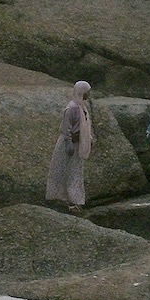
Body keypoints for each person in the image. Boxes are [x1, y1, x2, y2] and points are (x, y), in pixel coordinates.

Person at [44, 81, 94, 211]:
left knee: (75, 171)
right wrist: (68, 143)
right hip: (71, 143)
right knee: (66, 170)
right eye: (87, 92)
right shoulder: (72, 108)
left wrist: (89, 138)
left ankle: (75, 199)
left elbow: (85, 126)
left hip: (79, 143)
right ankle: (66, 198)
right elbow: (66, 128)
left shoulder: (82, 107)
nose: (89, 94)